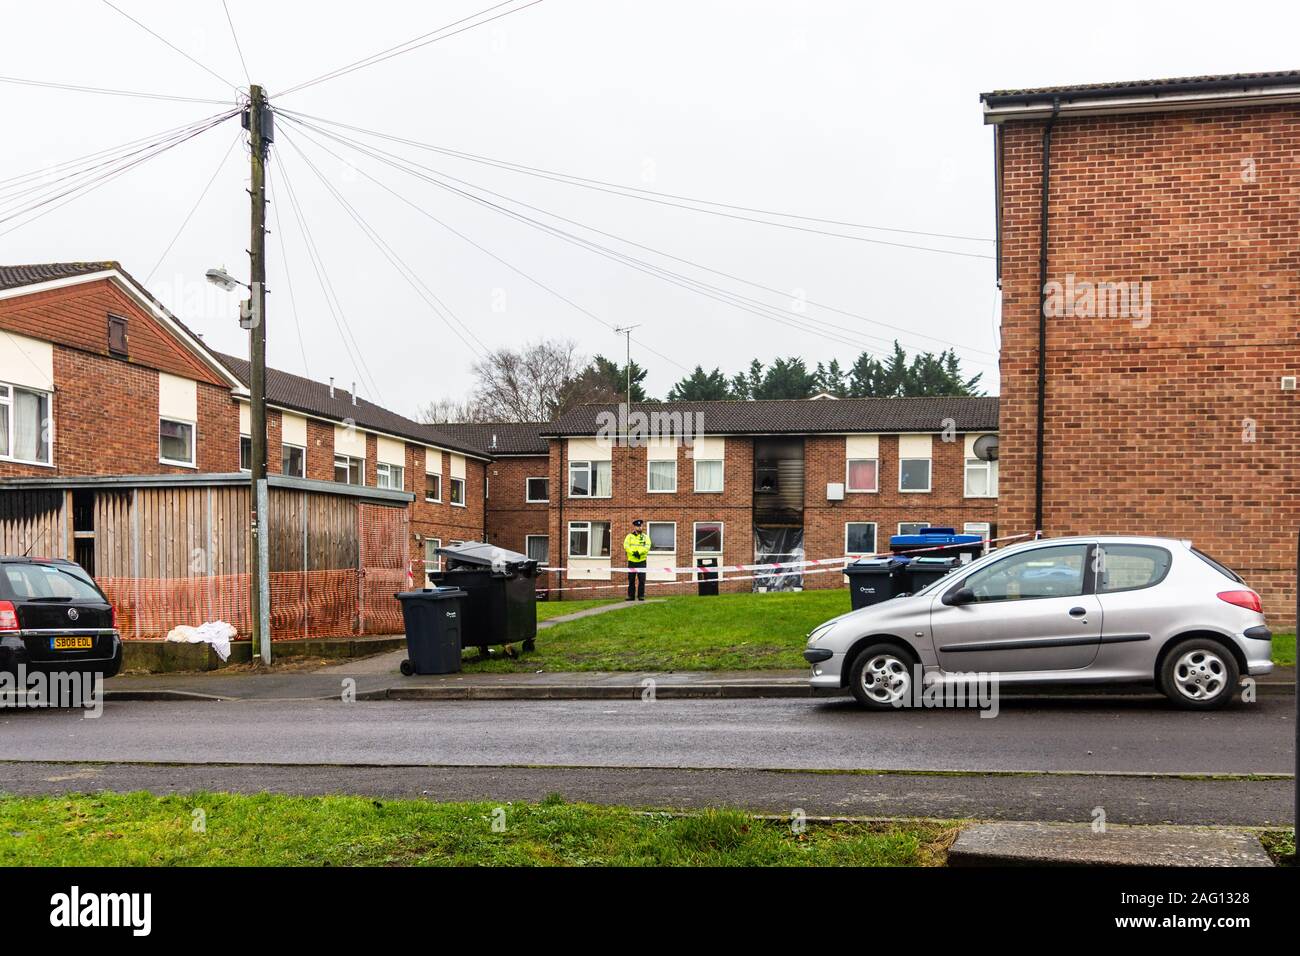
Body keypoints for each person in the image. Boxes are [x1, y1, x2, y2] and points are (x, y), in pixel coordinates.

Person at [623, 519, 650, 601]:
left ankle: (641, 596)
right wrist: (633, 553)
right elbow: (626, 546)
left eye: (640, 526)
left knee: (642, 580)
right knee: (631, 580)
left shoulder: (645, 537)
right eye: (638, 526)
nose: (639, 527)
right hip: (632, 561)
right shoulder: (629, 536)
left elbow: (647, 546)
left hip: (642, 561)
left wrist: (639, 553)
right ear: (634, 527)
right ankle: (631, 596)